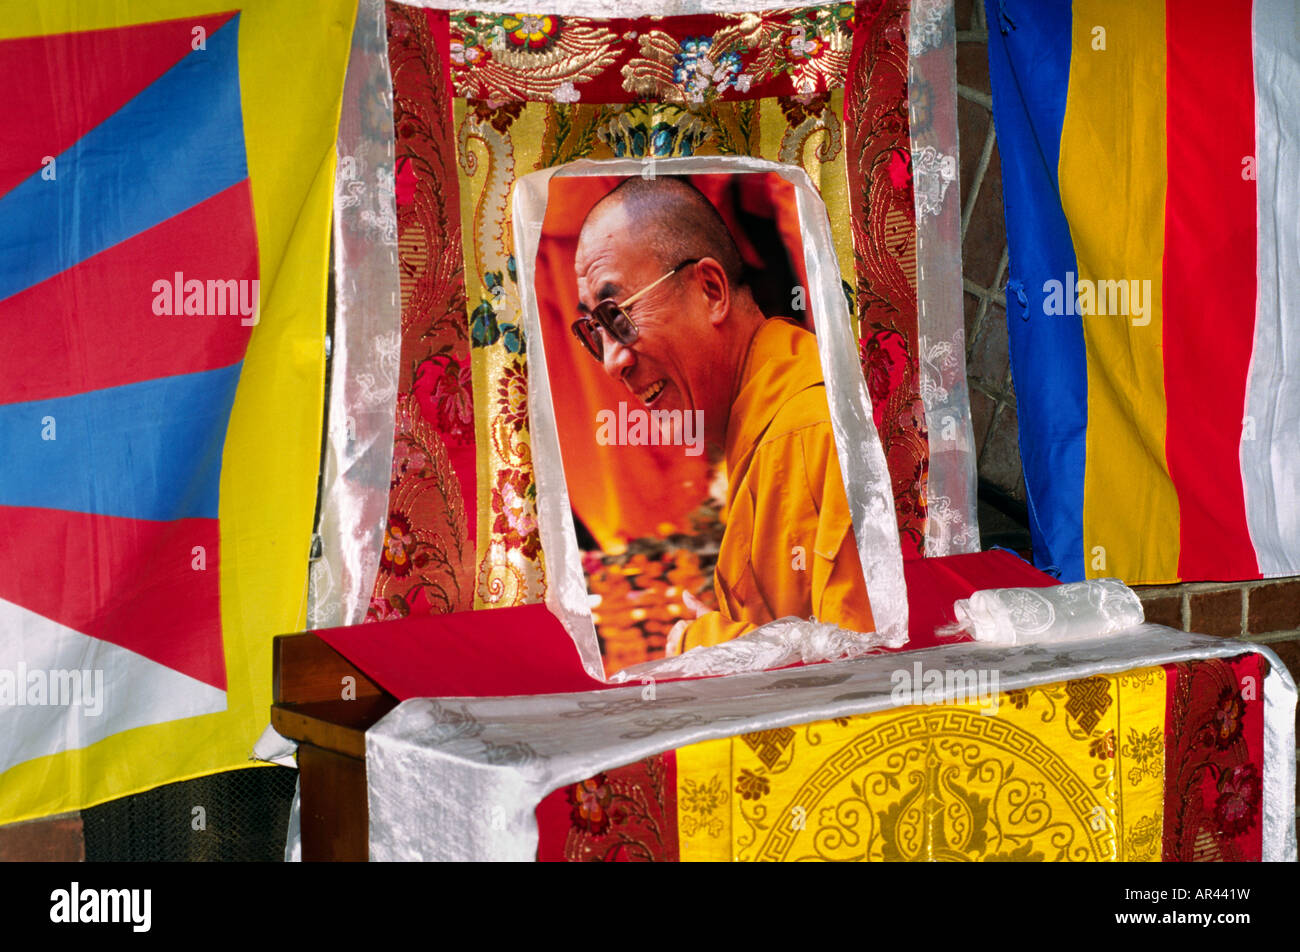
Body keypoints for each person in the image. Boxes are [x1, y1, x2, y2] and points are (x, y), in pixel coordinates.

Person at [571, 175, 875, 654]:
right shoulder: (758, 412)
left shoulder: (814, 430)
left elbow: (864, 667)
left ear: (711, 290)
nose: (613, 362)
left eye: (618, 316)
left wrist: (712, 646)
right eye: (594, 331)